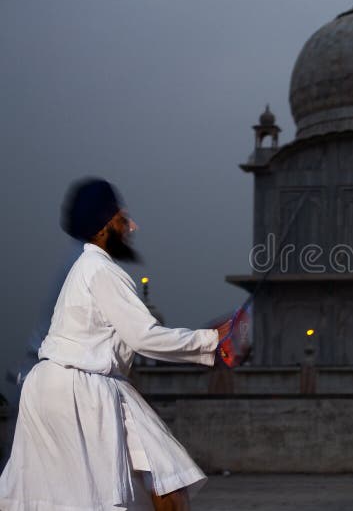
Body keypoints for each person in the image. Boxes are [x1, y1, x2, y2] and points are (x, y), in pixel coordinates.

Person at [0, 178, 227, 510]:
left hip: (53, 386)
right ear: (104, 225)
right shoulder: (102, 270)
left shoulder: (83, 269)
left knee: (61, 496)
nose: (133, 225)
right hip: (82, 389)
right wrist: (212, 340)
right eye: (123, 218)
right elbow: (143, 336)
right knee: (159, 476)